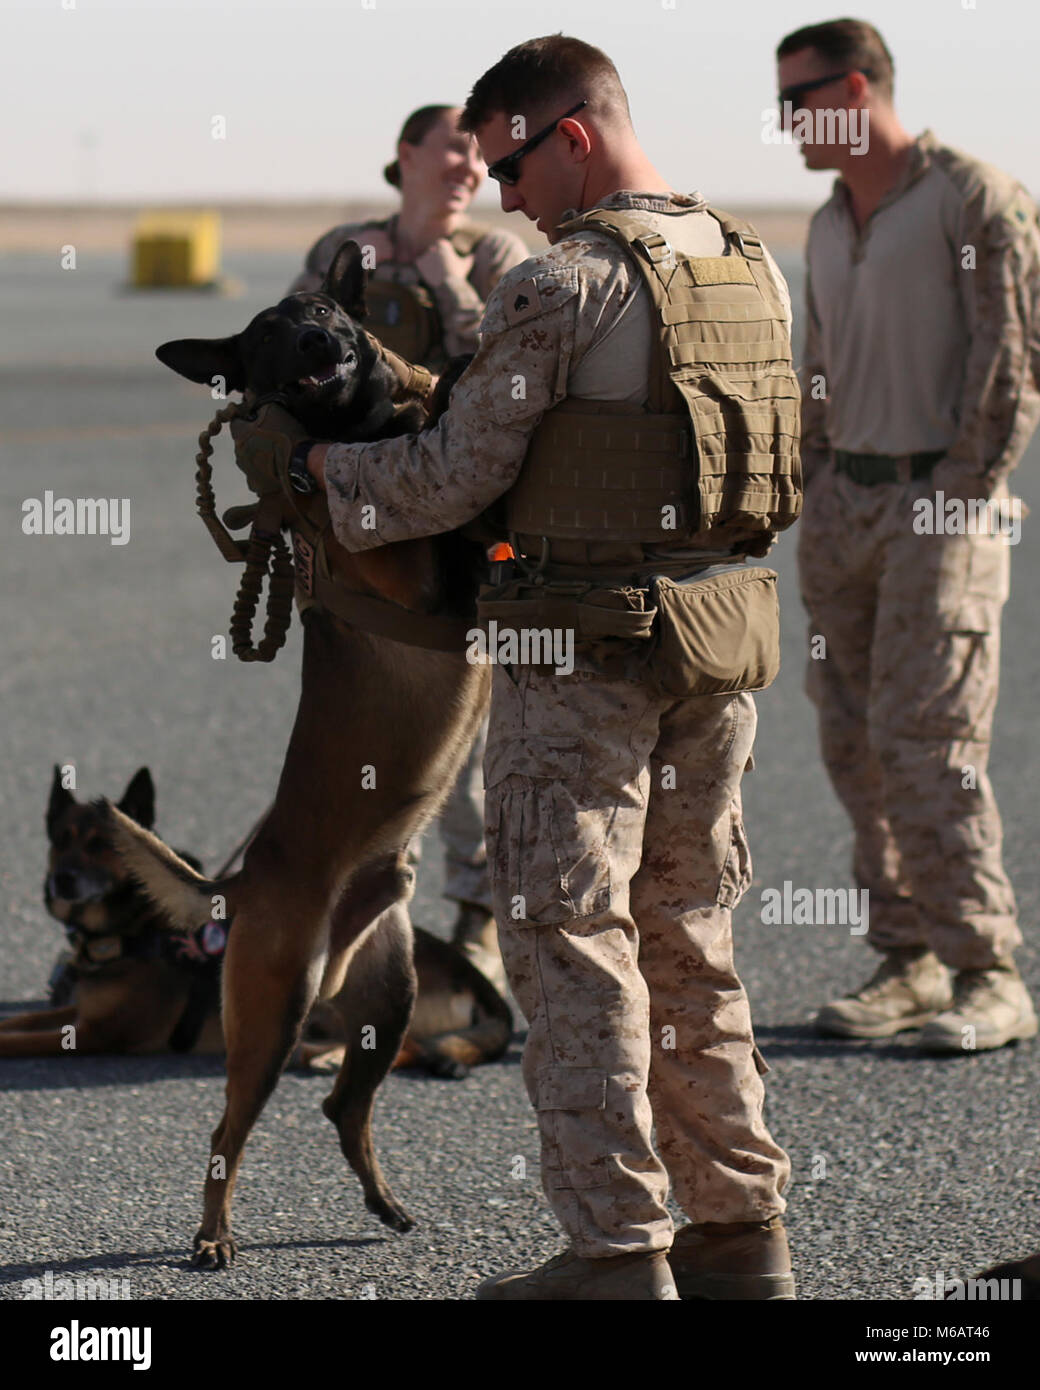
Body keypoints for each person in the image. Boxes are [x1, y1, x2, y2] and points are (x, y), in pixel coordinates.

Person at [236, 34, 799, 1300]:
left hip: (580, 658)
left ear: (574, 137)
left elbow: (447, 479)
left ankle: (614, 1253)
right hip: (714, 647)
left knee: (569, 940)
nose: (503, 195)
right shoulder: (748, 261)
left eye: (511, 163)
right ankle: (735, 1233)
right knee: (688, 938)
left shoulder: (568, 283)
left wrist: (326, 476)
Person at [775, 19, 1040, 1052]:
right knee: (851, 737)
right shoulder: (827, 220)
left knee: (926, 745)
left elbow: (1011, 354)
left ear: (850, 89)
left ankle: (987, 967)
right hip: (846, 505)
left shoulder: (971, 198)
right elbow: (818, 365)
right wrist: (809, 475)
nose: (785, 123)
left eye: (795, 102)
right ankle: (907, 957)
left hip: (942, 502)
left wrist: (963, 488)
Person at [291, 106, 529, 987]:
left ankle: (476, 931)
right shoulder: (341, 250)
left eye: (481, 153)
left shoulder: (495, 259)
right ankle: (362, 927)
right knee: (358, 738)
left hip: (464, 536)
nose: (471, 166)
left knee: (464, 748)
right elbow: (289, 354)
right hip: (357, 538)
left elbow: (510, 369)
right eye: (456, 148)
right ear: (408, 156)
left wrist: (442, 276)